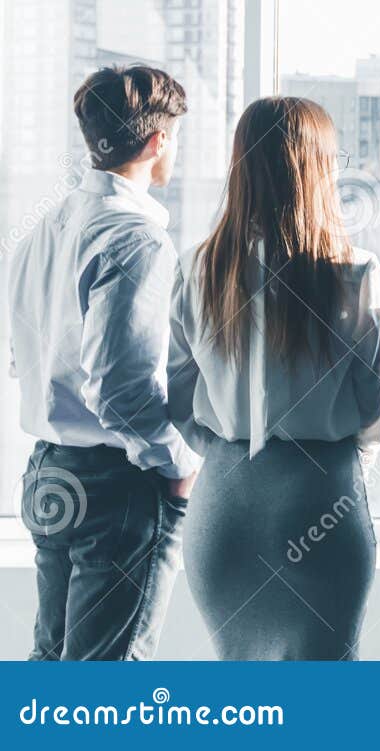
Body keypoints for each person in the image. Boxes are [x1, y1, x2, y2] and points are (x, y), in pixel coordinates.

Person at [167, 97, 380, 660]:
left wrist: (225, 451)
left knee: (245, 694)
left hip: (225, 506)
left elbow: (176, 393)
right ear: (319, 169)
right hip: (321, 496)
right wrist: (342, 465)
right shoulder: (355, 272)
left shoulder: (197, 267)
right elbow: (375, 403)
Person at [4, 65, 199, 660]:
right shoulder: (135, 237)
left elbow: (20, 356)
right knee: (106, 681)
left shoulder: (43, 229)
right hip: (113, 483)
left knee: (52, 661)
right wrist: (176, 466)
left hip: (48, 469)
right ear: (158, 141)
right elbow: (121, 389)